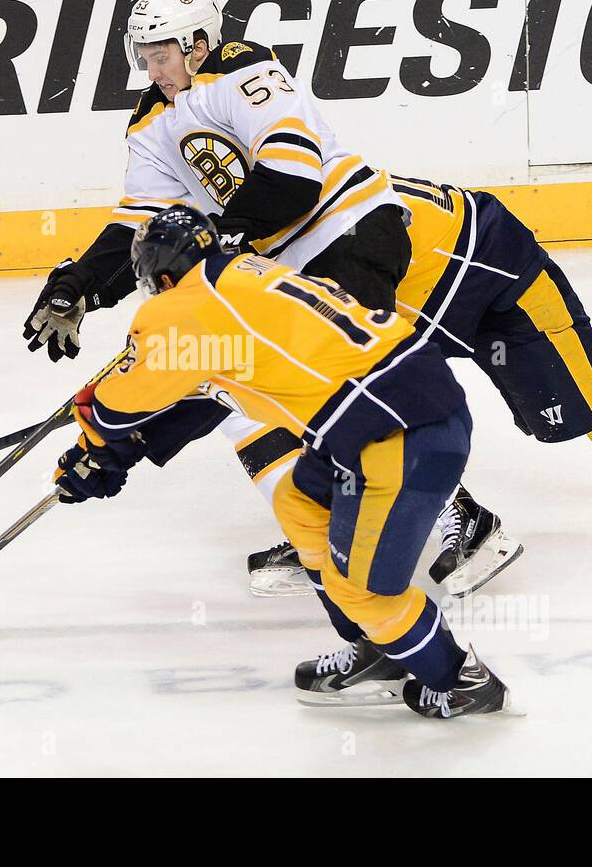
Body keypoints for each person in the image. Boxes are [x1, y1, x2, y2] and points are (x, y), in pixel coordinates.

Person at [24, 0, 592, 599]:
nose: (150, 66)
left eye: (161, 49)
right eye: (144, 54)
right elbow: (143, 227)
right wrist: (77, 288)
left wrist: (132, 422)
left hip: (469, 263)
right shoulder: (149, 125)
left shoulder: (250, 77)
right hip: (360, 277)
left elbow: (292, 180)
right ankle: (402, 523)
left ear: (201, 41)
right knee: (284, 385)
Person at [52, 204, 513, 716]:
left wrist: (94, 439)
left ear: (162, 275)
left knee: (365, 593)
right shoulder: (249, 276)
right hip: (395, 409)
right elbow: (202, 398)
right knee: (300, 501)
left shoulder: (180, 308)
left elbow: (118, 408)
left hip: (399, 433)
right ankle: (376, 647)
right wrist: (116, 454)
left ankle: (460, 681)